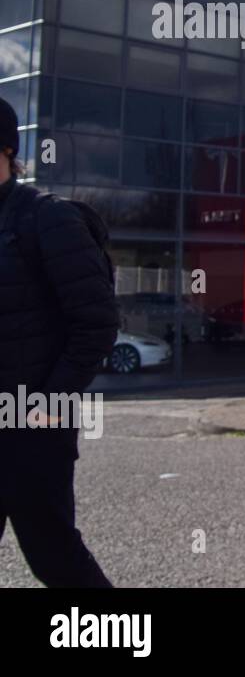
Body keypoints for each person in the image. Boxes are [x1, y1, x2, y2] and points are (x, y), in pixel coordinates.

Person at [0, 99, 115, 587]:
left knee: (54, 554)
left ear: (7, 151)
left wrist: (48, 403)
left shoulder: (48, 219)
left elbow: (97, 322)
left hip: (31, 428)